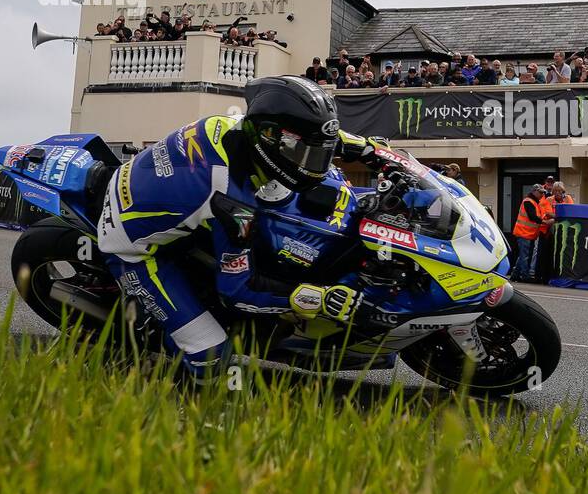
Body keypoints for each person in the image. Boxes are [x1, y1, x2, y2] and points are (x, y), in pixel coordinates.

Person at [96, 76, 388, 380]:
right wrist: (318, 297)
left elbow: (313, 135)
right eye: (307, 154)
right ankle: (183, 406)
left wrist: (373, 150)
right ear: (270, 138)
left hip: (154, 190)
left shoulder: (240, 126)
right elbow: (238, 290)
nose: (316, 164)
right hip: (129, 245)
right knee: (210, 355)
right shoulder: (232, 200)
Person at [511, 185, 548, 282]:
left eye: (543, 193)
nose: (542, 194)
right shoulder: (529, 201)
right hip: (524, 233)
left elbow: (535, 217)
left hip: (528, 234)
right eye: (540, 192)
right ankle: (525, 276)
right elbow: (532, 217)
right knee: (525, 256)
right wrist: (545, 222)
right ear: (535, 191)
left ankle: (515, 275)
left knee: (523, 255)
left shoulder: (534, 202)